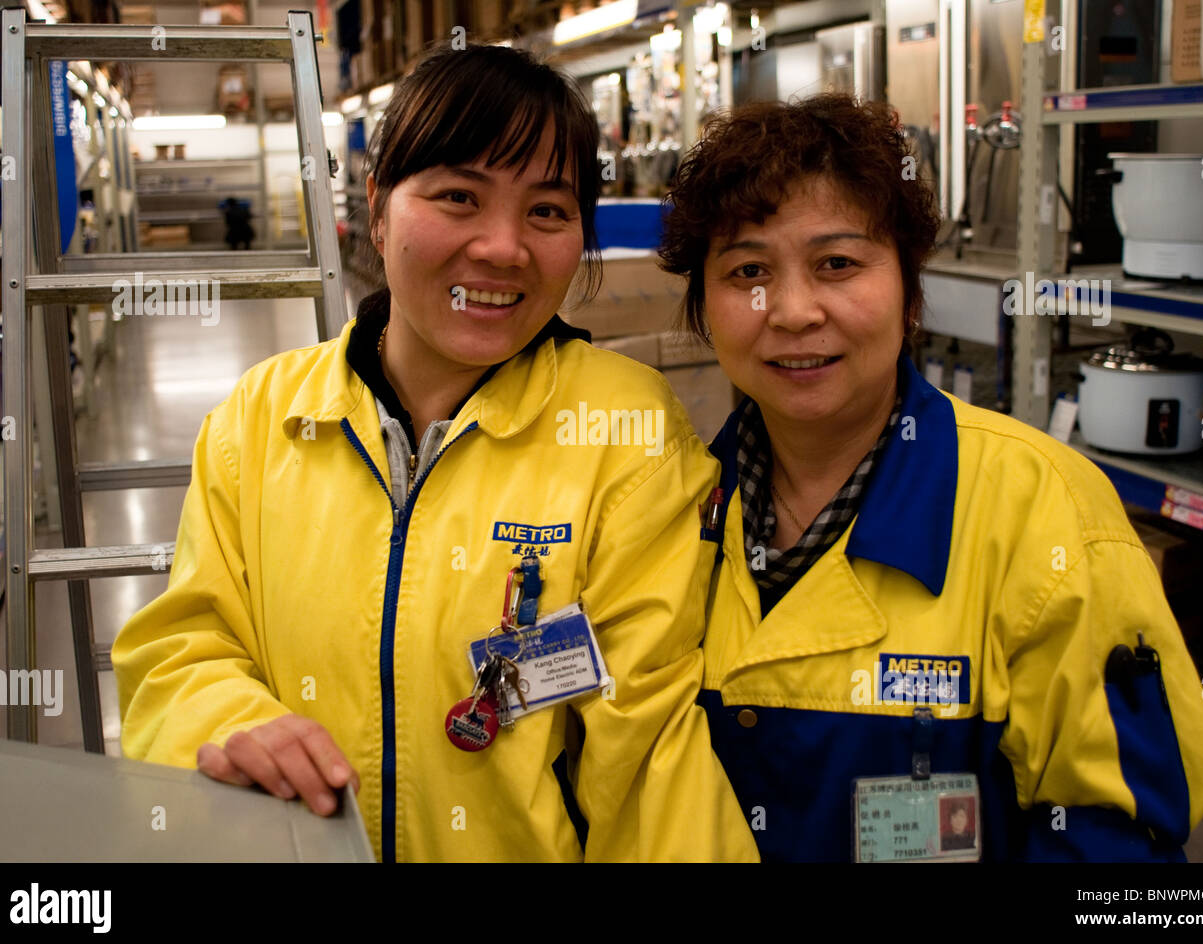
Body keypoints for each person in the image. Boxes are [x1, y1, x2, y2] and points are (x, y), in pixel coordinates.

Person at [114, 42, 757, 863]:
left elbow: (650, 750)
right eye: (459, 196)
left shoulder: (626, 435)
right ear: (378, 208)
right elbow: (184, 645)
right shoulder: (264, 418)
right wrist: (230, 722)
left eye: (548, 212)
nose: (502, 247)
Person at [658, 93, 1203, 862]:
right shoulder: (668, 514)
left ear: (909, 289)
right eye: (748, 269)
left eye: (837, 263)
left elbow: (1125, 849)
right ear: (703, 304)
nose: (792, 310)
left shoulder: (1045, 511)